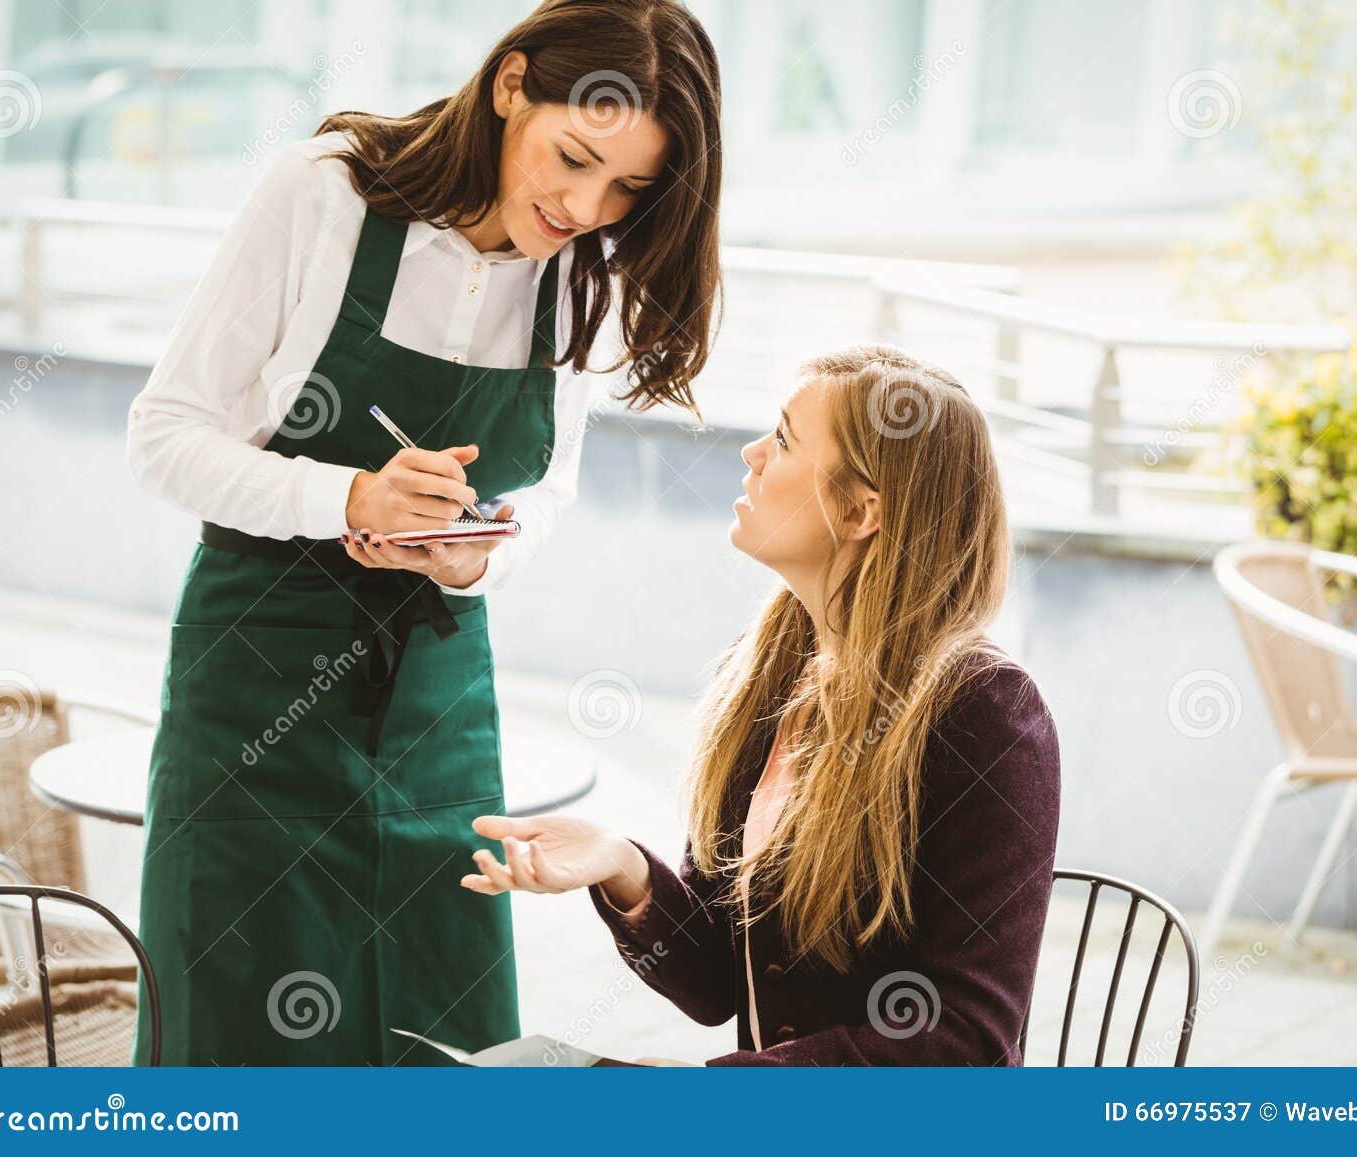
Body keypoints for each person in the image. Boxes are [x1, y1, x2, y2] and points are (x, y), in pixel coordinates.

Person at [124, 0, 722, 1064]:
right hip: (256, 673)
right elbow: (166, 436)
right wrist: (347, 497)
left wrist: (472, 555)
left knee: (434, 1026)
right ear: (510, 86)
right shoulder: (326, 193)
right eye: (573, 158)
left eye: (627, 185)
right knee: (234, 1020)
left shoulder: (582, 270)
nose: (585, 206)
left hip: (436, 696)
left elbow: (550, 491)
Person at [463, 345, 1061, 1065]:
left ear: (860, 509)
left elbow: (967, 1040)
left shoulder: (986, 713)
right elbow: (718, 982)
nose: (749, 453)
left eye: (782, 439)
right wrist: (620, 865)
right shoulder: (775, 676)